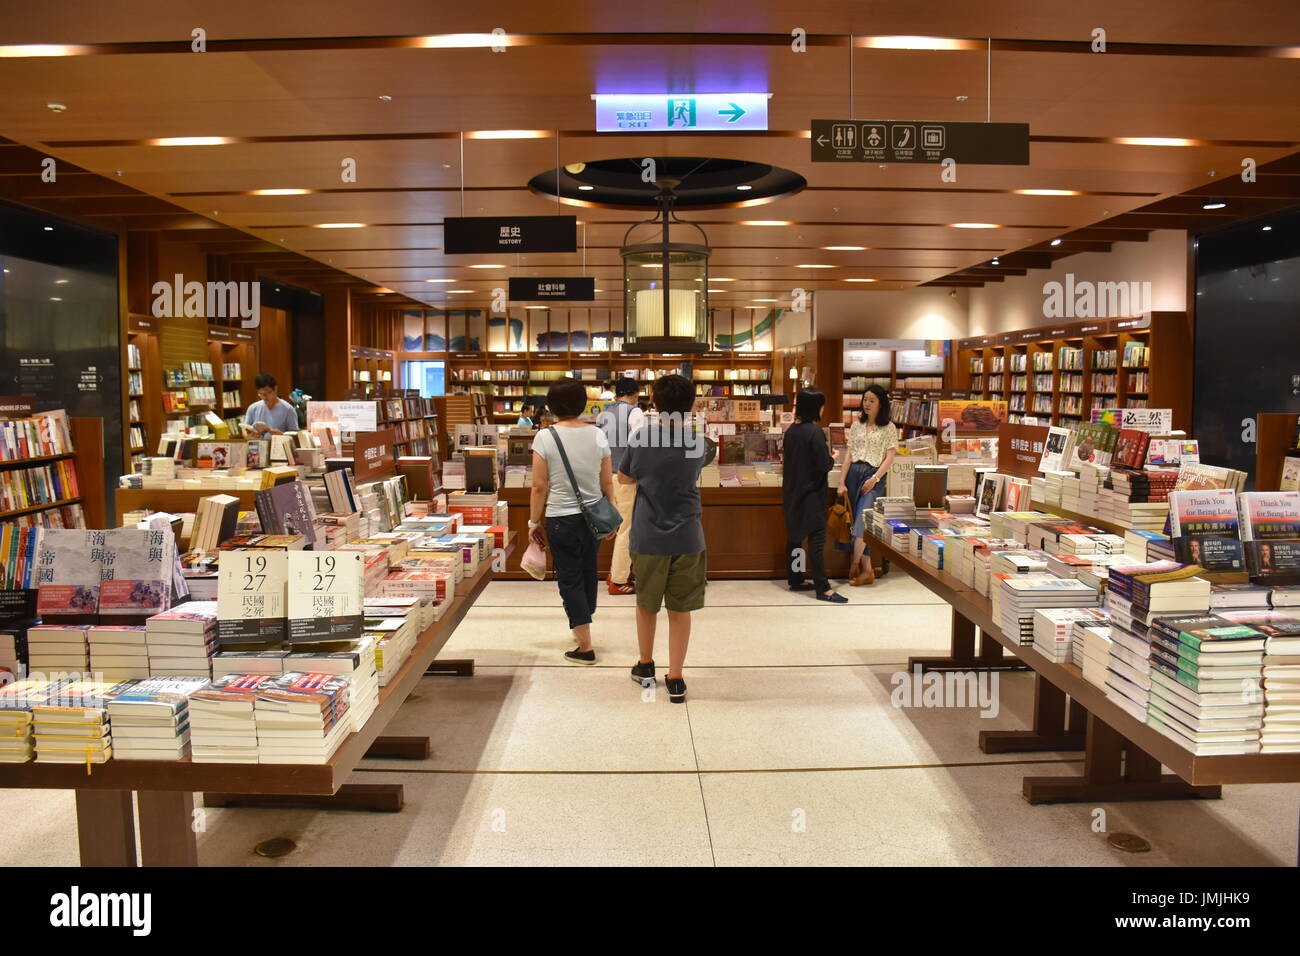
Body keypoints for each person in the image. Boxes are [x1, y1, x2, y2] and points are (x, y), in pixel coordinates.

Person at [618, 374, 713, 704]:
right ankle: (676, 678)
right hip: (688, 535)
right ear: (690, 406)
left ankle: (645, 666)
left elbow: (625, 477)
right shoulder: (697, 441)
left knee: (646, 604)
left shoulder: (642, 437)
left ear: (655, 404)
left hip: (648, 535)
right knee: (680, 608)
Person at [528, 378, 615, 665]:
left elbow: (539, 485)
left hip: (560, 519)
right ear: (582, 404)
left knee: (569, 578)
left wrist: (532, 522)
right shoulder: (597, 435)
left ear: (551, 406)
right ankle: (583, 623)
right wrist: (613, 514)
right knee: (588, 570)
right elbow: (606, 481)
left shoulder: (544, 437)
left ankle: (585, 644)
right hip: (592, 517)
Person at [783, 388, 847, 603]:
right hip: (812, 495)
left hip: (792, 492)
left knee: (795, 538)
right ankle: (823, 588)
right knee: (817, 542)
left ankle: (796, 578)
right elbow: (823, 464)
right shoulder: (814, 432)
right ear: (815, 407)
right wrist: (833, 457)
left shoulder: (791, 430)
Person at [838, 384, 898, 586]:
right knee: (858, 520)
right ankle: (868, 570)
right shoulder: (856, 426)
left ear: (881, 403)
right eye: (865, 400)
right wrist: (841, 482)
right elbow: (849, 455)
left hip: (874, 474)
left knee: (864, 519)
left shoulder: (888, 427)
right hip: (854, 472)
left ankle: (854, 563)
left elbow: (890, 457)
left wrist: (875, 479)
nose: (867, 404)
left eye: (872, 400)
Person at [598, 377, 646, 595]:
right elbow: (639, 446)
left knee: (618, 527)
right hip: (627, 477)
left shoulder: (605, 413)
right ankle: (618, 580)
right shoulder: (635, 412)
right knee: (627, 530)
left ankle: (614, 572)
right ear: (635, 393)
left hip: (608, 475)